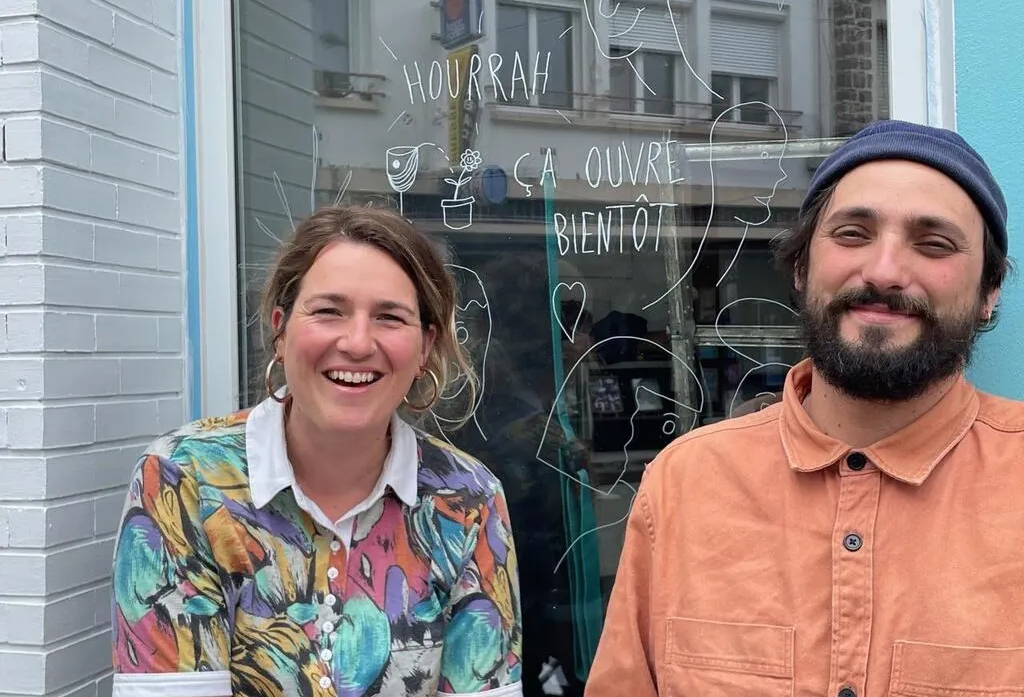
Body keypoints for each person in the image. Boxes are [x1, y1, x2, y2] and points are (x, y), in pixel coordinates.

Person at [584, 119, 1024, 696]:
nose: (885, 271)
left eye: (933, 243)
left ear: (989, 292)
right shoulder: (685, 487)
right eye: (852, 234)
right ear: (801, 267)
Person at [110, 205, 524, 697]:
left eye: (390, 317)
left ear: (424, 348)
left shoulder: (467, 501)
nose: (356, 342)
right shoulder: (185, 480)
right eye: (329, 310)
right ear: (280, 331)